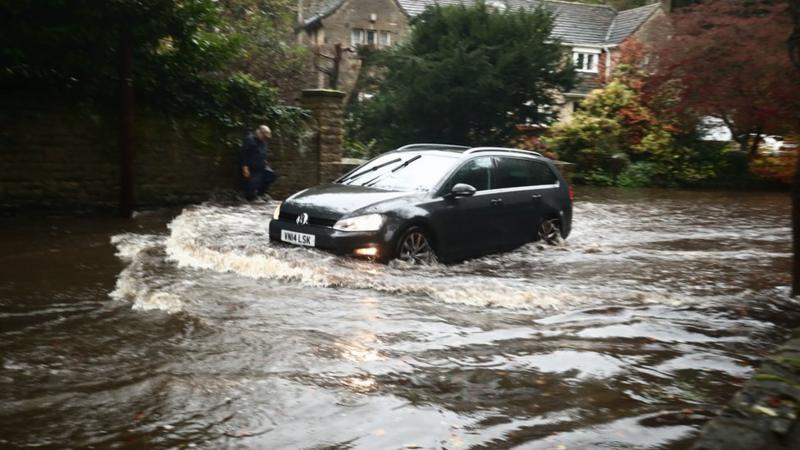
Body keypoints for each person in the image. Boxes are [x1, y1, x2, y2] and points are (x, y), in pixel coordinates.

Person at [240, 125, 276, 201]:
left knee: (270, 176)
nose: (265, 139)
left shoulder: (263, 141)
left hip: (262, 165)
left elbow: (263, 153)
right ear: (260, 133)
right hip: (251, 167)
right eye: (264, 137)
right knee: (251, 185)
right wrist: (245, 168)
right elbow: (244, 154)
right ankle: (250, 198)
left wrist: (265, 162)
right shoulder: (250, 139)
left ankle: (260, 194)